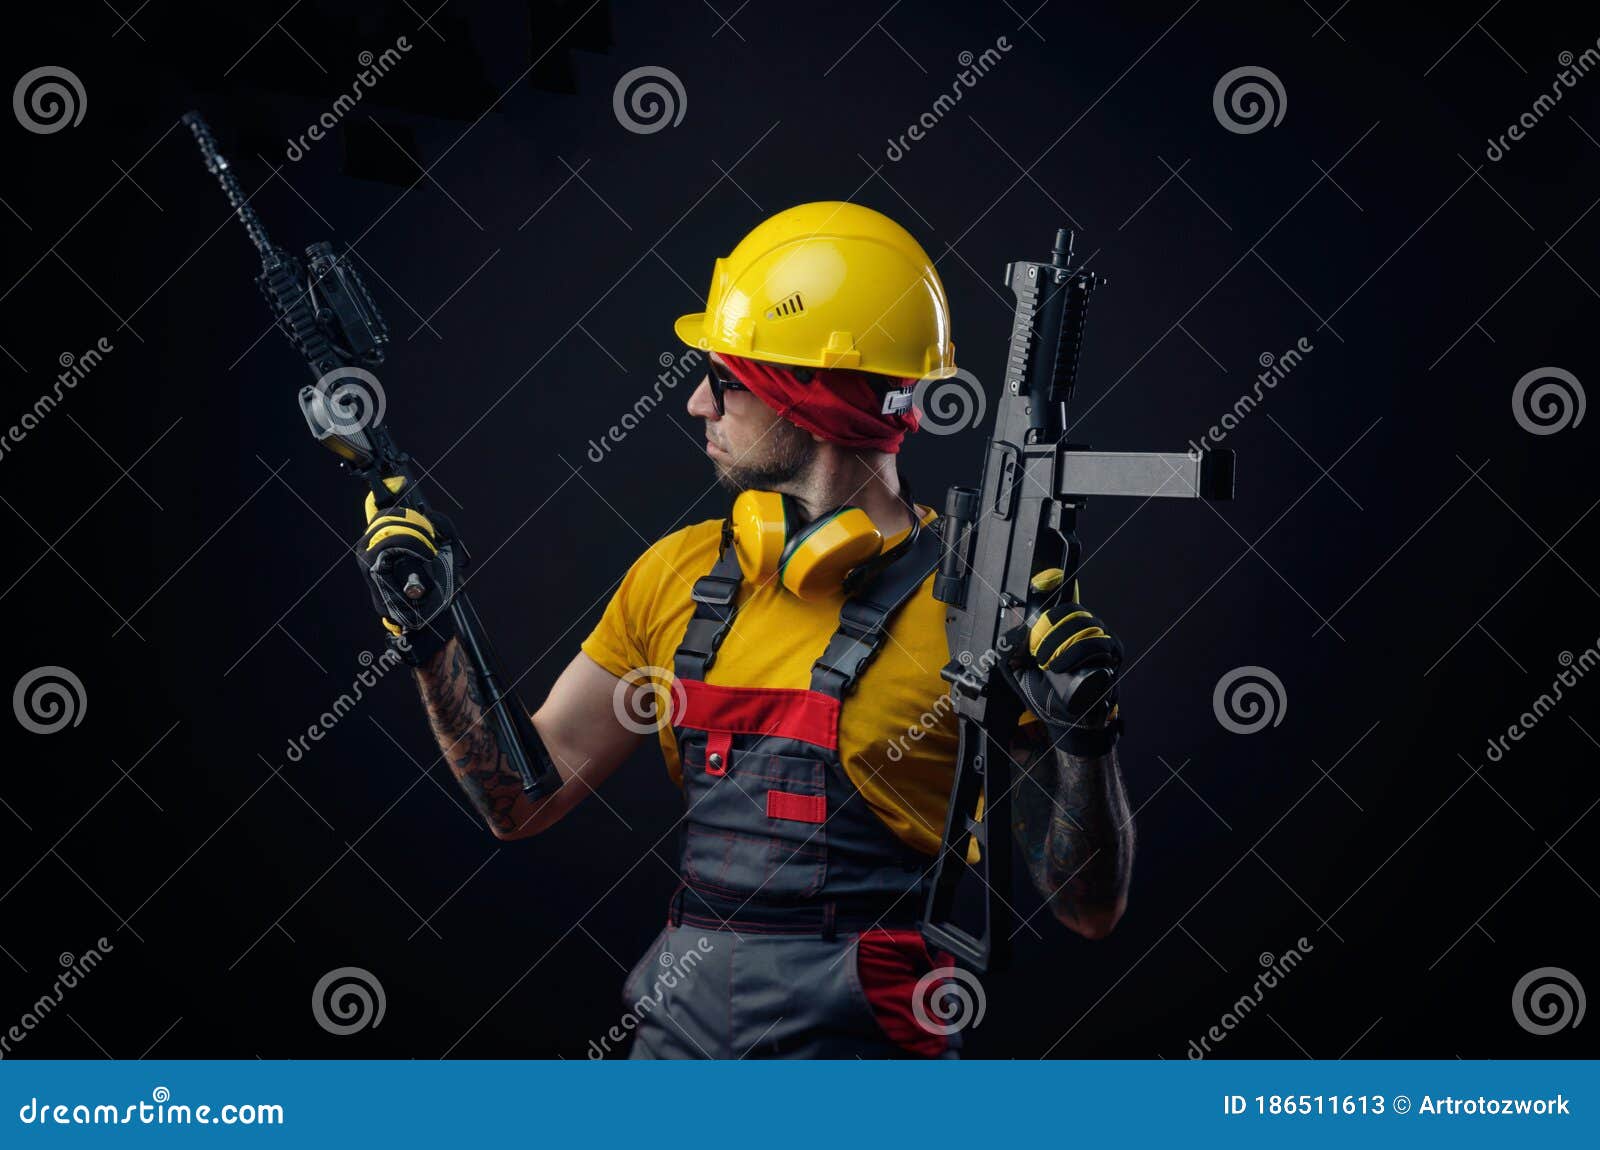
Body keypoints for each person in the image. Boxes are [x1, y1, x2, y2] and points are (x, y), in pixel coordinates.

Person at [353, 202, 1135, 1058]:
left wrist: (1084, 736)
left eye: (722, 378)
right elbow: (520, 803)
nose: (696, 402)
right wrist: (432, 632)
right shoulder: (676, 575)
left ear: (810, 395)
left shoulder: (979, 606)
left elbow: (1086, 909)